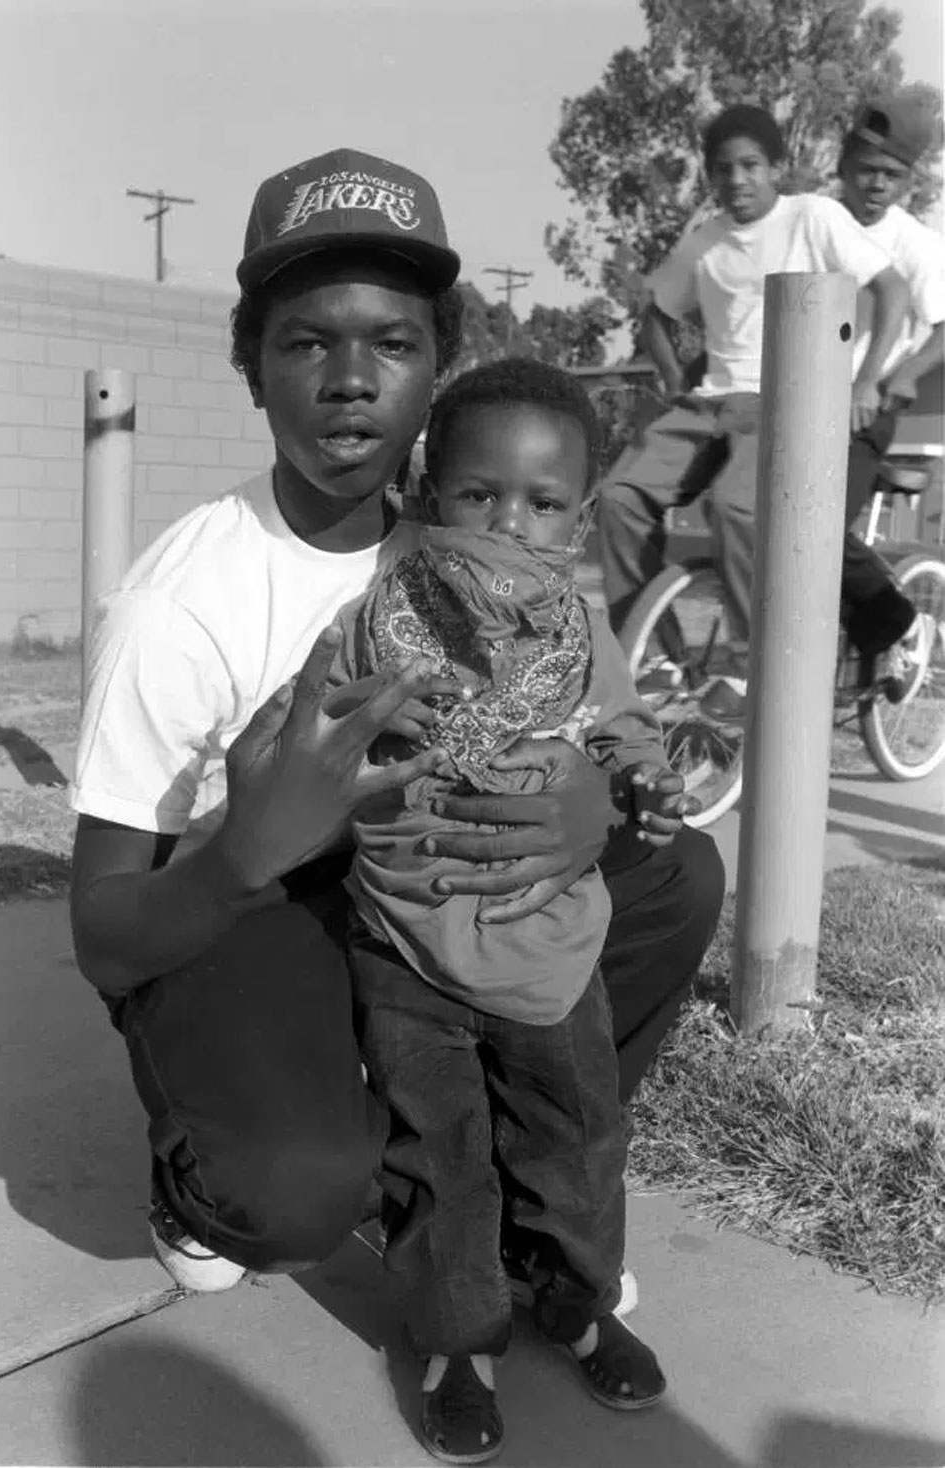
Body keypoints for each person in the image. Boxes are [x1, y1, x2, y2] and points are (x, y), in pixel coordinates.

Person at [68, 146, 724, 1375]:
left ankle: (521, 1168)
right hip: (252, 900)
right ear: (249, 365)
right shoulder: (183, 601)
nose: (352, 381)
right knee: (304, 1192)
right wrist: (244, 849)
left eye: (395, 343)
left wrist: (594, 802)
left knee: (675, 874)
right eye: (307, 342)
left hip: (415, 878)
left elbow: (584, 700)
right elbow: (103, 937)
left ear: (440, 370)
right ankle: (203, 1169)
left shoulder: (473, 533)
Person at [327, 359, 685, 1461]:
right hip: (407, 935)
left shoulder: (582, 630)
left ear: (578, 517)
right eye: (480, 495)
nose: (508, 521)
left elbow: (622, 727)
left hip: (548, 940)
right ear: (433, 494)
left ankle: (577, 1302)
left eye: (540, 501)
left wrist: (646, 779)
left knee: (573, 1139)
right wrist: (370, 728)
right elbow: (322, 738)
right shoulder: (380, 615)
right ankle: (459, 1340)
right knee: (439, 1152)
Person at [596, 103, 909, 714]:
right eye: (722, 169)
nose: (736, 181)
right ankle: (657, 655)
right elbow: (656, 314)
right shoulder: (704, 242)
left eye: (750, 166)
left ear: (778, 168)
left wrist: (866, 382)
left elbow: (892, 291)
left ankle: (749, 658)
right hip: (709, 401)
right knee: (618, 496)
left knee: (740, 505)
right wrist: (669, 377)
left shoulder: (812, 216)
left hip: (784, 398)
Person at [834, 95, 944, 687]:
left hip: (868, 411)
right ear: (844, 165)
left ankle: (898, 622)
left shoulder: (918, 244)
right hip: (801, 397)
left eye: (893, 175)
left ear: (907, 181)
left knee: (818, 530)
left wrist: (898, 375)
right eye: (867, 169)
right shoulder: (817, 223)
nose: (877, 184)